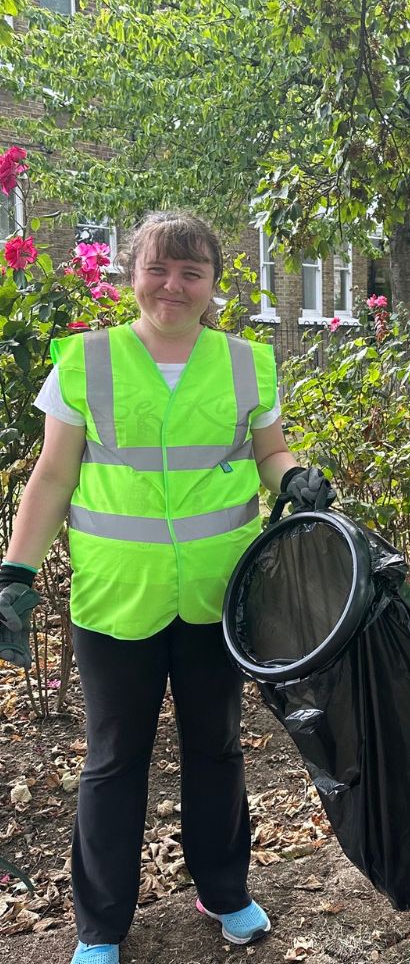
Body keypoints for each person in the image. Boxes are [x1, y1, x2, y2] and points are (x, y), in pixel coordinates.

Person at [0, 212, 332, 964]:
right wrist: (16, 570)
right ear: (130, 275)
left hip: (220, 597)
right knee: (114, 757)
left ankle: (224, 889)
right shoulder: (86, 363)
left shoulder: (247, 364)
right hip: (118, 600)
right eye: (158, 269)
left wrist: (296, 478)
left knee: (215, 748)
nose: (173, 286)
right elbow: (52, 476)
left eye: (192, 273)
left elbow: (269, 452)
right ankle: (100, 926)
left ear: (215, 285)